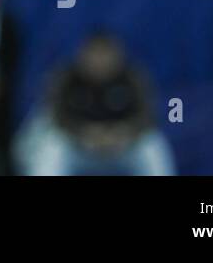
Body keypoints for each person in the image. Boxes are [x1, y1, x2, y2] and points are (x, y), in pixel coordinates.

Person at [15, 31, 175, 176]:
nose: (100, 61)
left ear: (117, 55)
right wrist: (83, 132)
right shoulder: (67, 78)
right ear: (83, 55)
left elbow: (148, 115)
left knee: (152, 145)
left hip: (123, 146)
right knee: (52, 146)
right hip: (79, 146)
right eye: (95, 54)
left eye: (105, 54)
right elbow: (55, 114)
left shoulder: (133, 78)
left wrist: (126, 131)